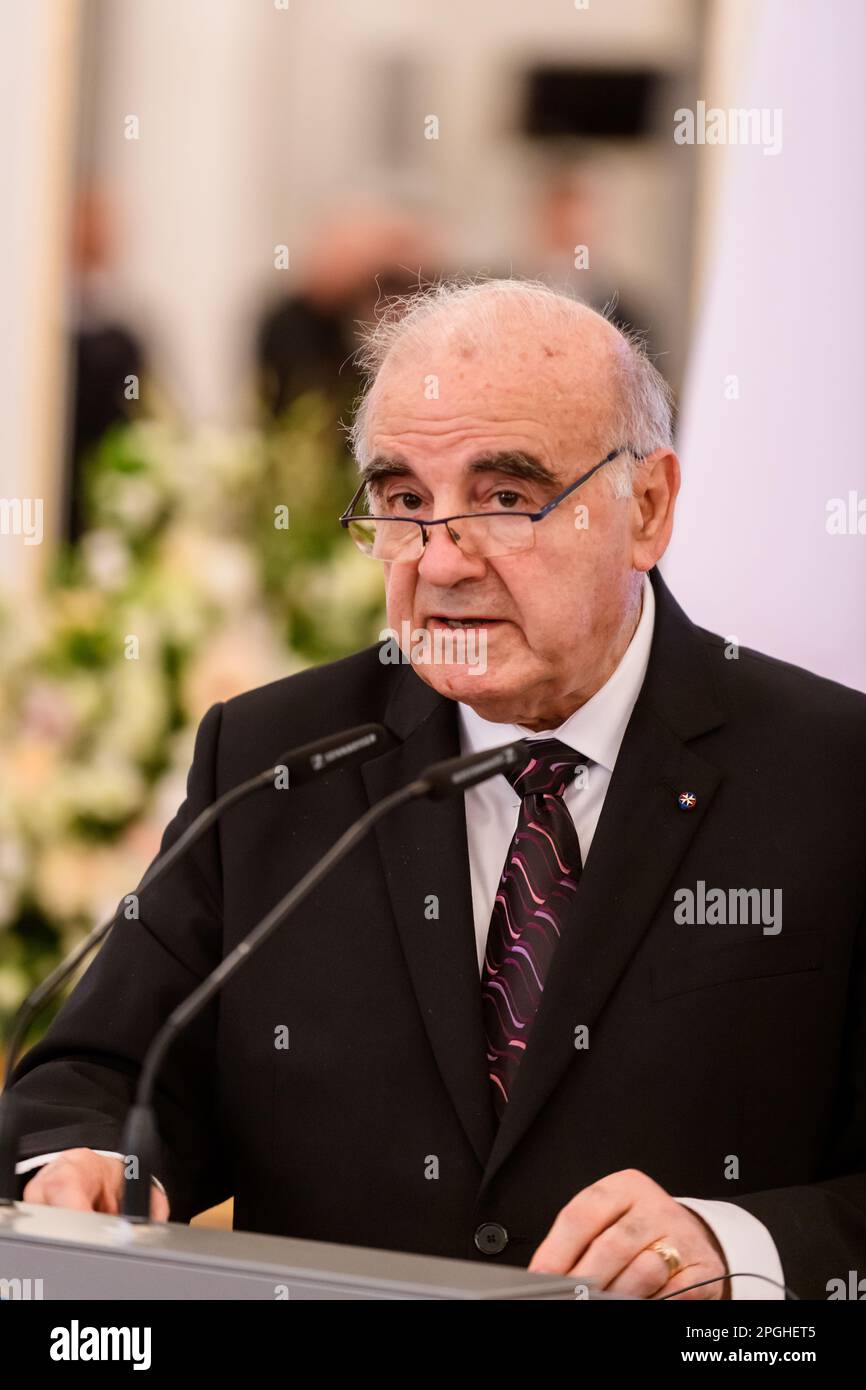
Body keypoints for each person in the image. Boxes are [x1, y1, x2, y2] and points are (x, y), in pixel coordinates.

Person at [10, 279, 866, 1301]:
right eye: (403, 501)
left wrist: (738, 1245)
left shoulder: (830, 776)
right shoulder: (273, 756)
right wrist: (93, 1163)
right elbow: (97, 1077)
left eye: (505, 499)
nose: (440, 560)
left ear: (646, 508)